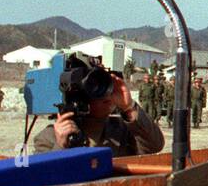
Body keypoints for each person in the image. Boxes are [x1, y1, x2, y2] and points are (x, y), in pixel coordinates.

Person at [31, 66, 164, 155]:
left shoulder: (121, 130)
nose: (107, 94)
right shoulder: (49, 137)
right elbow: (43, 181)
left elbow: (155, 146)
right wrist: (60, 146)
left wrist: (129, 108)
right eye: (95, 88)